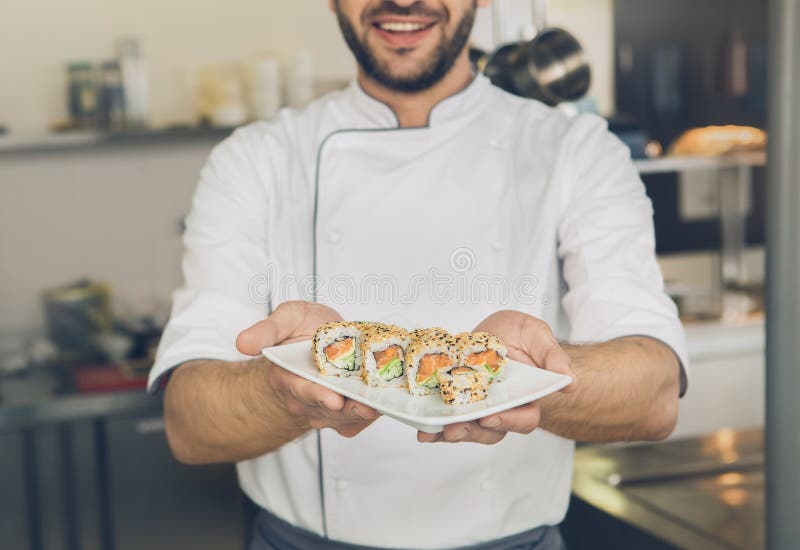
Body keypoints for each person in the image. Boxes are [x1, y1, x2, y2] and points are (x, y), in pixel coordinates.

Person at [148, 1, 688, 549]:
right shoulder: (254, 159)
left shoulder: (577, 151)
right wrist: (281, 386)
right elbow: (189, 426)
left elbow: (655, 394)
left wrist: (520, 378)